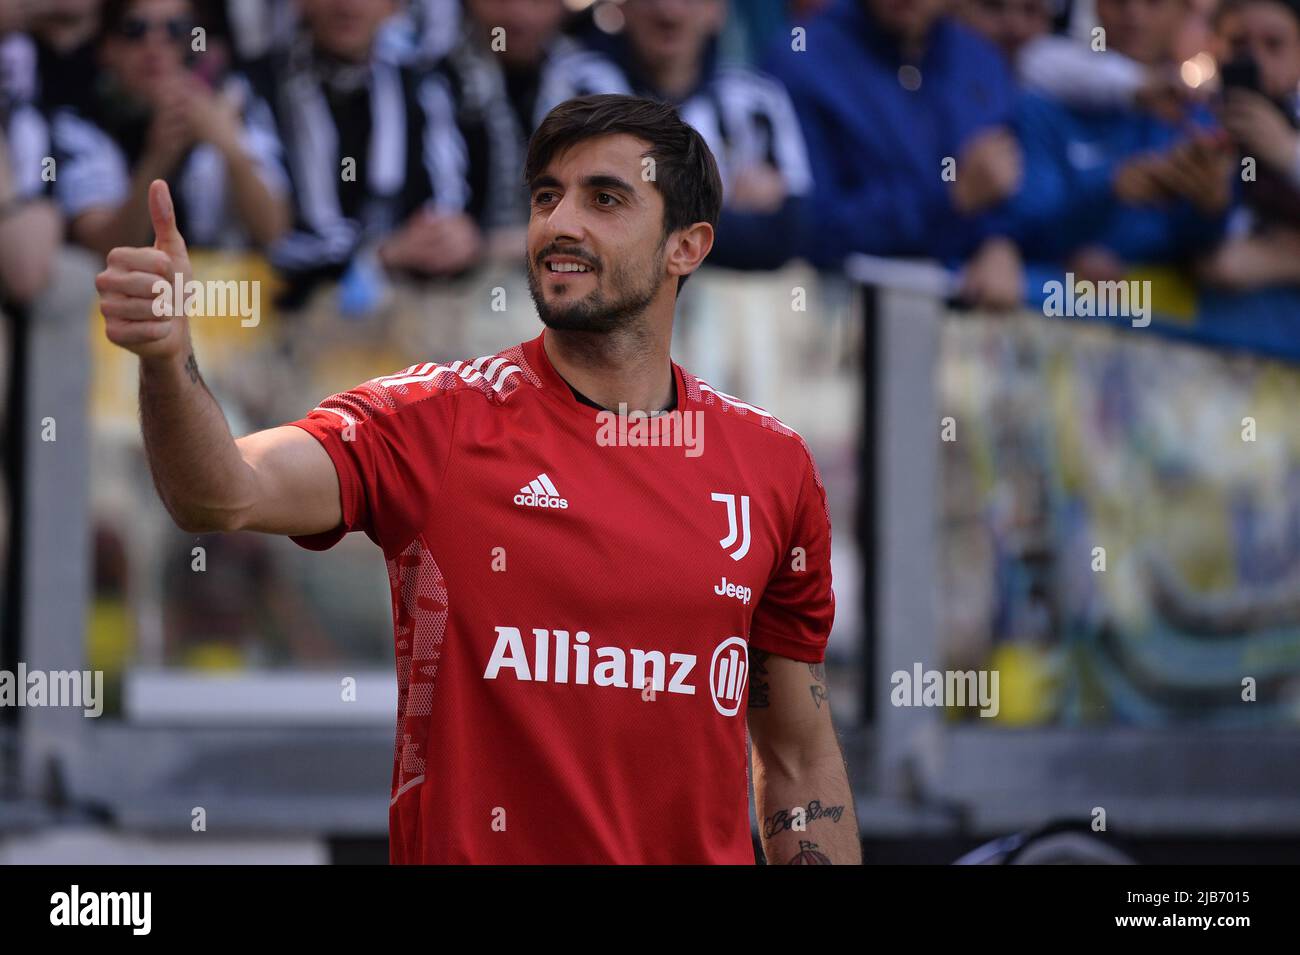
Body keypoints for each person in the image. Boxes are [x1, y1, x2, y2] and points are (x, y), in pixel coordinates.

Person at [94, 93, 860, 865]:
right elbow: (220, 492)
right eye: (545, 197)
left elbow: (797, 763)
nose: (561, 224)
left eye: (605, 199)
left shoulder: (771, 466)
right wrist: (167, 363)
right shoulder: (434, 419)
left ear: (686, 247)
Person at [56, 0, 291, 257]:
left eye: (176, 30)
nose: (154, 45)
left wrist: (230, 148)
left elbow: (273, 232)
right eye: (135, 29)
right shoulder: (82, 123)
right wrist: (157, 158)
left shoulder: (234, 100)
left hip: (227, 289)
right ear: (107, 47)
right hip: (130, 290)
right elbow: (106, 249)